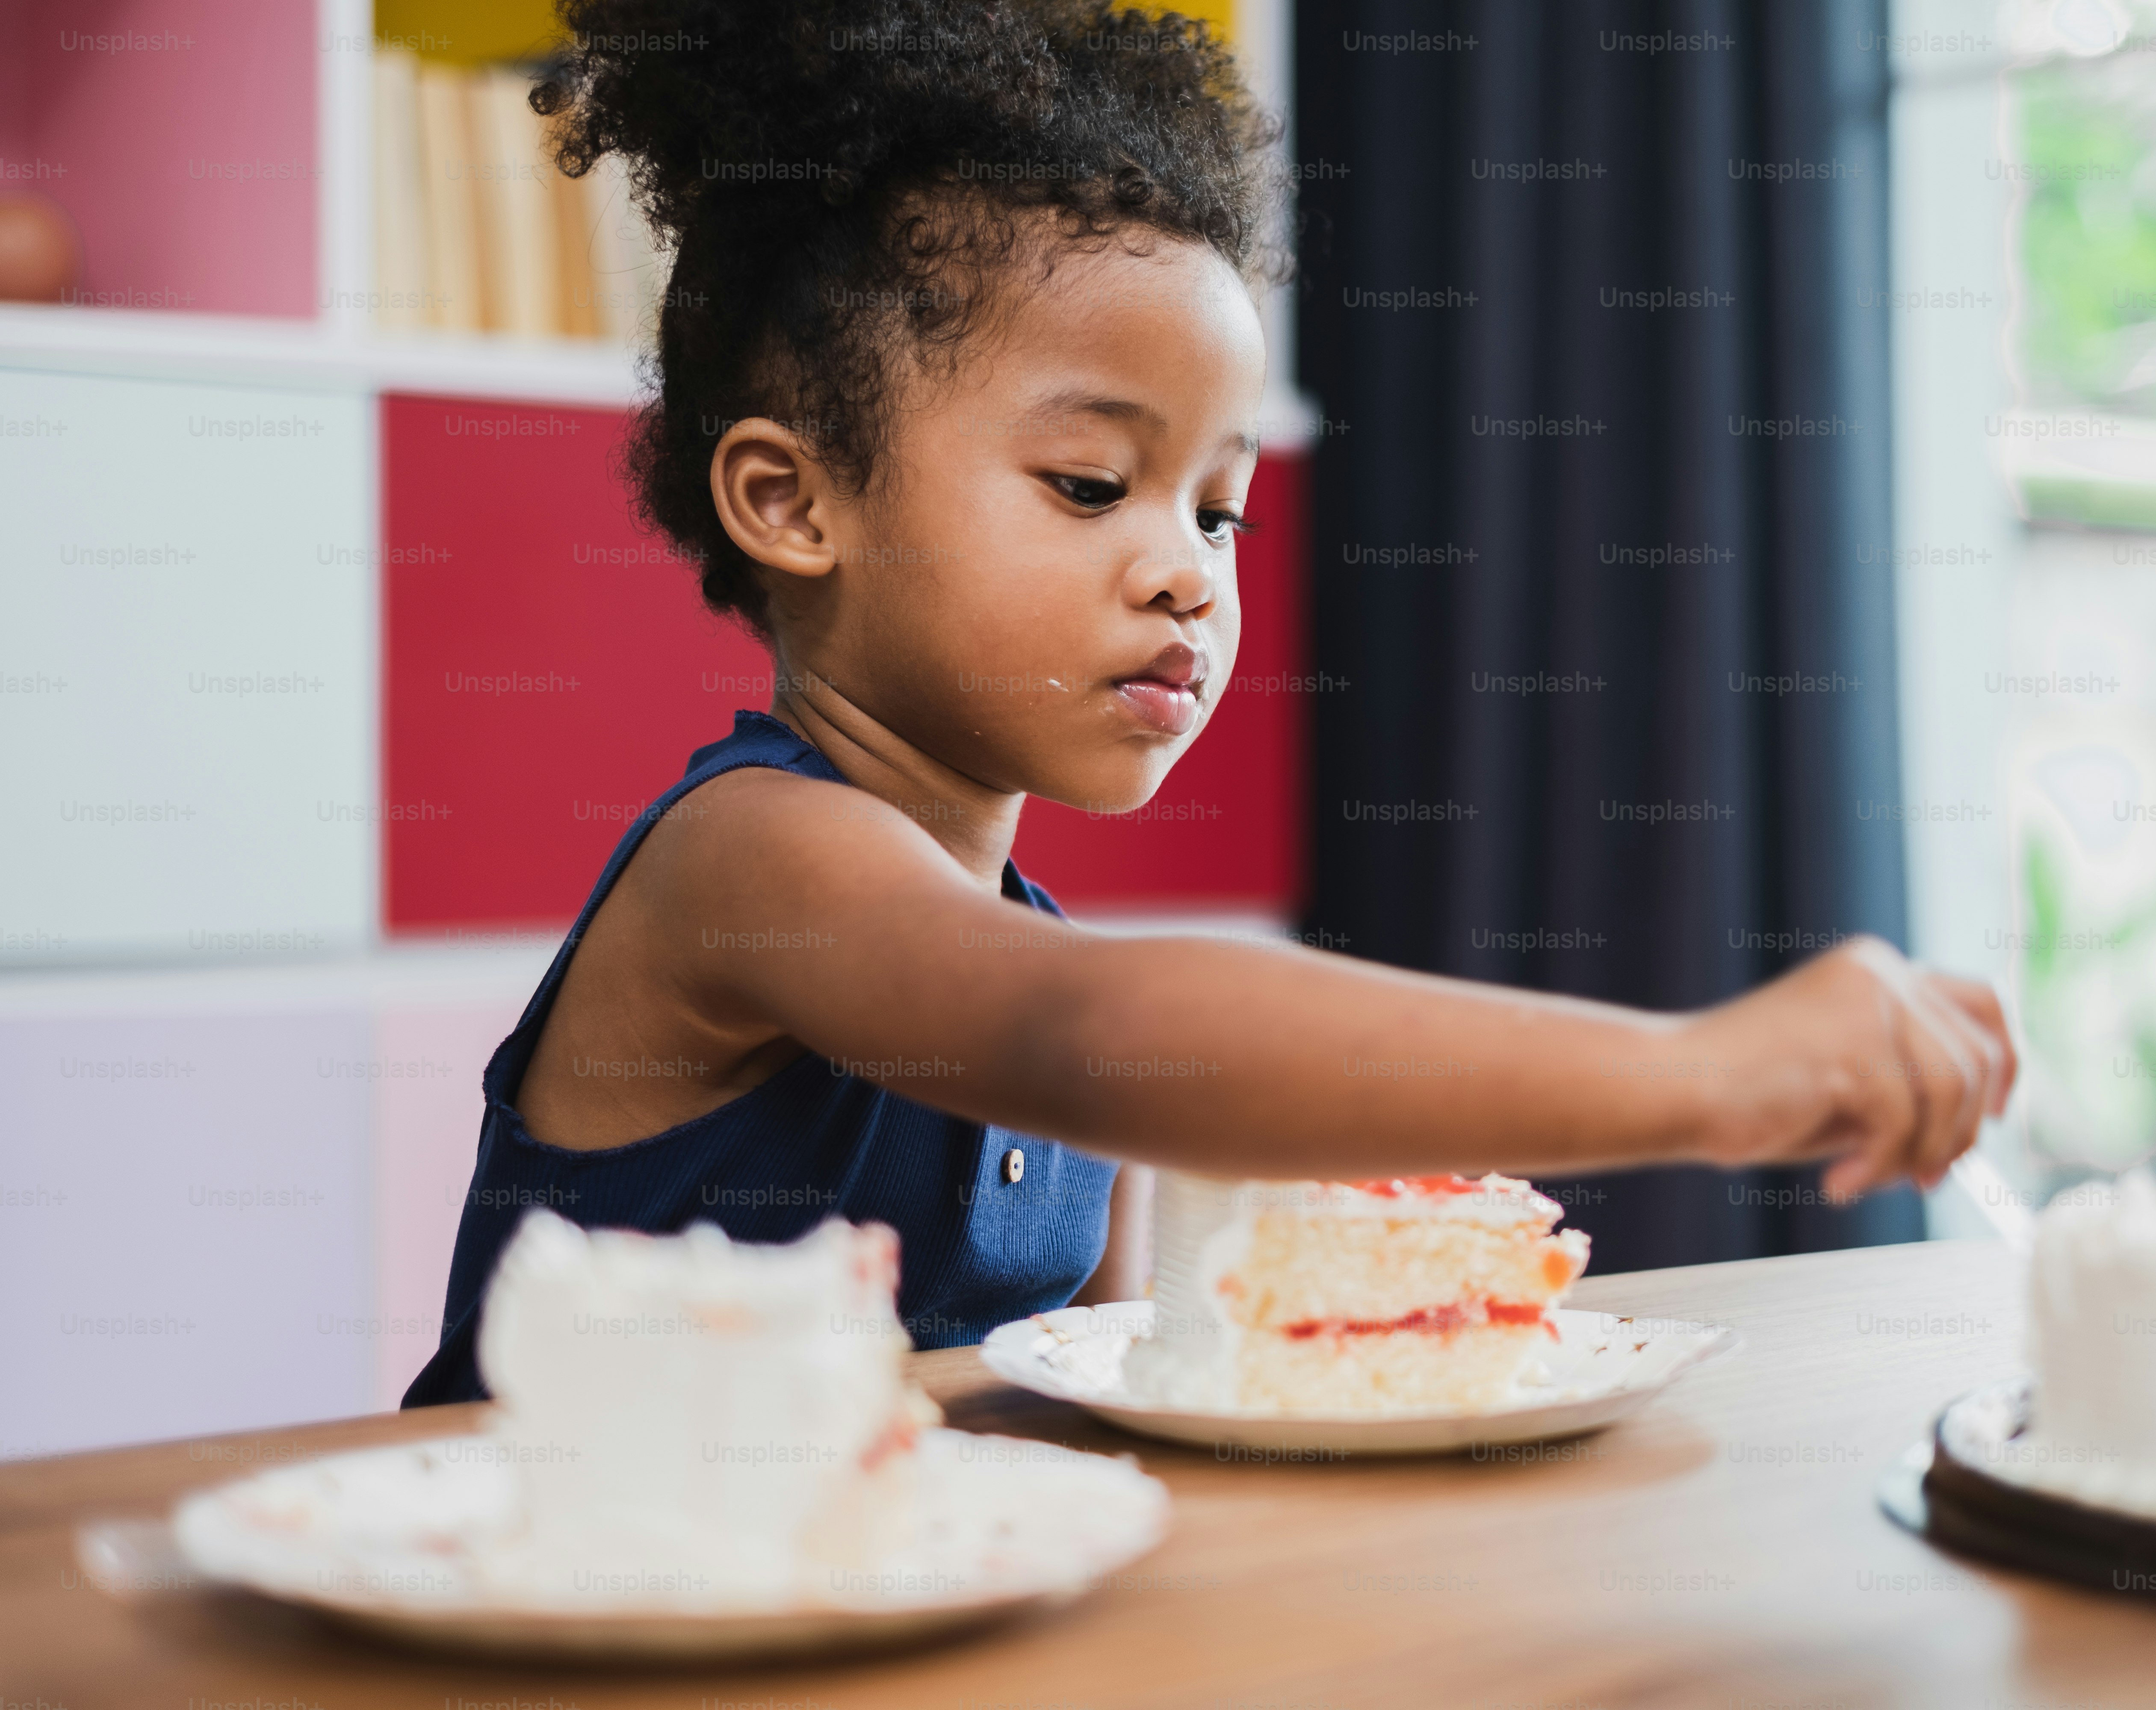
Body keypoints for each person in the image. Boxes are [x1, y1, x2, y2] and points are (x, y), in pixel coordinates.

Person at [403, 0, 2014, 1407]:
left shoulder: (1055, 1029)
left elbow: (1090, 1402)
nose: (1189, 573)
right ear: (791, 501)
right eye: (1092, 481)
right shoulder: (745, 864)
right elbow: (1090, 1031)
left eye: (1219, 508)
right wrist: (1708, 1076)